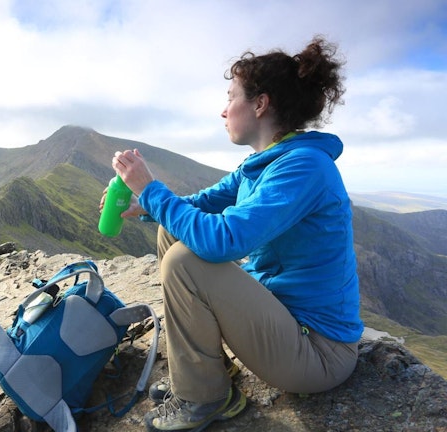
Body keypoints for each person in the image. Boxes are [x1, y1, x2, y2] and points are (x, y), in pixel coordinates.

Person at [104, 36, 363, 432]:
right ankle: (208, 374)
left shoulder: (304, 167)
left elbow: (223, 240)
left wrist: (152, 189)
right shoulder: (262, 163)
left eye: (231, 98)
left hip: (318, 351)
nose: (223, 111)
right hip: (283, 319)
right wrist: (144, 204)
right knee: (172, 235)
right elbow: (202, 204)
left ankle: (203, 398)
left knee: (184, 261)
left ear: (260, 105)